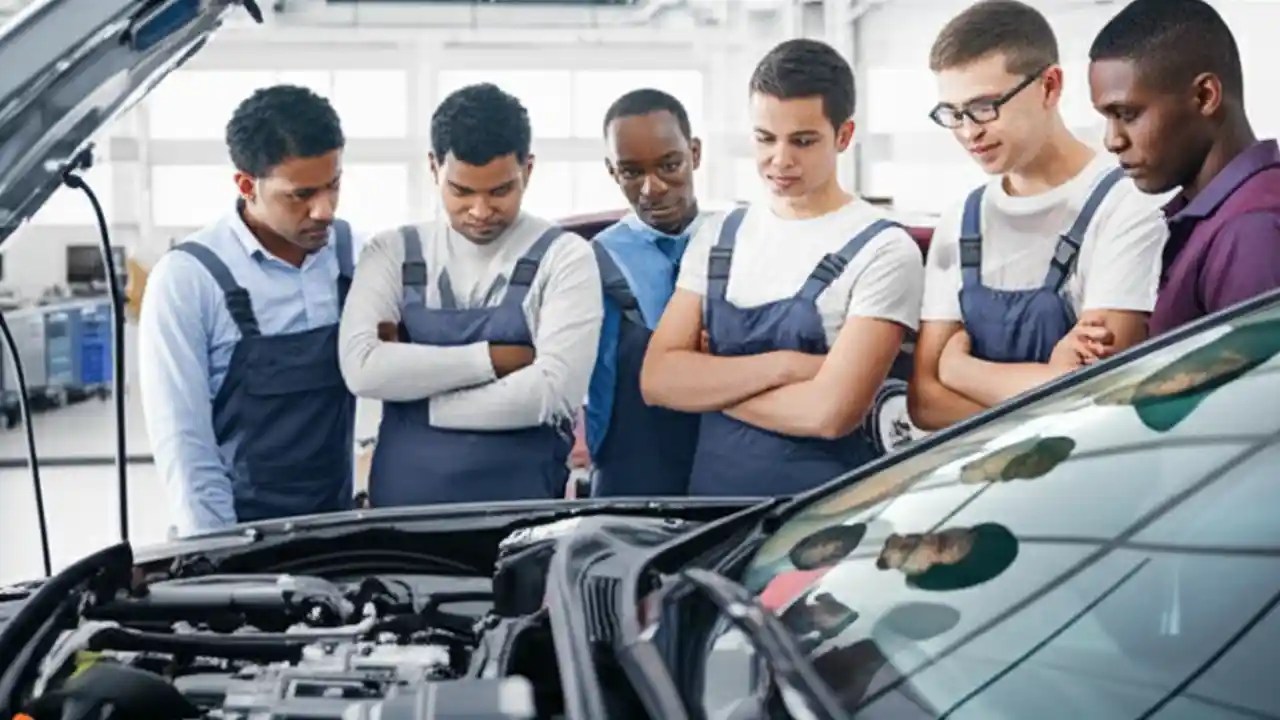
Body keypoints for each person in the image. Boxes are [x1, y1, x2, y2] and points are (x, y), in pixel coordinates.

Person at [641, 39, 924, 497]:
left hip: (824, 522)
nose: (780, 159)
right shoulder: (719, 236)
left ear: (844, 136)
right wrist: (789, 366)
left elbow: (829, 414)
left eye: (803, 141)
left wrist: (709, 382)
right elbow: (657, 381)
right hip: (710, 517)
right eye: (765, 138)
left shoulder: (885, 251)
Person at [908, 0, 1168, 432]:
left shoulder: (1125, 206)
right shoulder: (960, 219)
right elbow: (925, 403)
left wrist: (959, 371)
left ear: (1049, 86)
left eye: (985, 106)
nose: (969, 131)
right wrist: (1047, 385)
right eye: (953, 113)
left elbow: (1097, 398)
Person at [338, 83, 602, 506]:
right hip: (404, 513)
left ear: (528, 171)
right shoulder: (390, 253)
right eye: (460, 192)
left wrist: (422, 403)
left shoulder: (566, 257)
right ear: (433, 168)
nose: (480, 211)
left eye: (500, 191)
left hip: (521, 514)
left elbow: (555, 391)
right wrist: (497, 359)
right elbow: (363, 370)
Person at [139, 85, 357, 538]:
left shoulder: (353, 255)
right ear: (245, 184)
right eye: (301, 194)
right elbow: (184, 444)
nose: (325, 210)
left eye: (333, 185)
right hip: (239, 539)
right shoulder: (188, 280)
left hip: (337, 529)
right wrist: (219, 556)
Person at [1084, 0, 1280, 342]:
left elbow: (1257, 392)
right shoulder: (1221, 216)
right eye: (1107, 117)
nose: (1112, 140)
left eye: (1127, 114)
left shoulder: (1250, 231)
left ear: (1205, 96)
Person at [586, 88, 708, 497]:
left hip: (727, 458)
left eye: (670, 165)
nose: (651, 188)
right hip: (630, 468)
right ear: (611, 170)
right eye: (631, 172)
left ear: (694, 153)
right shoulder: (592, 262)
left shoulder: (739, 242)